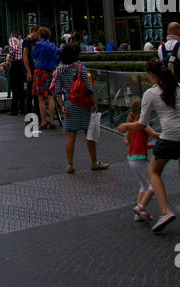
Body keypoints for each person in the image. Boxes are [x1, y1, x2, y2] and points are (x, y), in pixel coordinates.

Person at [124, 58, 180, 232]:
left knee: (154, 171)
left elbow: (142, 123)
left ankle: (165, 211)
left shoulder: (151, 93)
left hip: (171, 137)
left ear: (151, 75)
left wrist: (126, 126)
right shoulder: (178, 87)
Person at [49, 43, 108, 172]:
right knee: (89, 134)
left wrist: (63, 106)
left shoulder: (59, 70)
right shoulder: (81, 68)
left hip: (70, 104)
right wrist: (95, 104)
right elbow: (88, 88)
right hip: (84, 104)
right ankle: (94, 162)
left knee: (71, 135)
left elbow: (57, 91)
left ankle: (70, 165)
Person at [118, 95, 158, 222]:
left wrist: (150, 146)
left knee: (143, 185)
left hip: (132, 159)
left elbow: (139, 142)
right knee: (154, 185)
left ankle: (138, 214)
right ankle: (140, 207)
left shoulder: (133, 124)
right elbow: (155, 134)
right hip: (140, 159)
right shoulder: (142, 124)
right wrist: (171, 136)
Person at [31, 26, 59, 129]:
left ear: (40, 34)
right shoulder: (52, 45)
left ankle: (43, 121)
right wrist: (56, 61)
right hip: (50, 71)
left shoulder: (38, 44)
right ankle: (52, 121)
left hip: (39, 71)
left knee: (40, 97)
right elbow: (60, 53)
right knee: (50, 96)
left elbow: (33, 56)